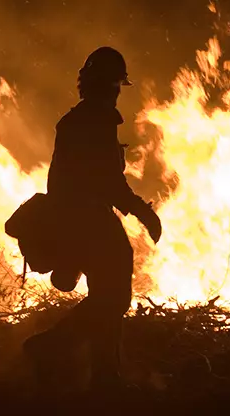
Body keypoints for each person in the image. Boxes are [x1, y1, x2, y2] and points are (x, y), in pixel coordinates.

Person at [23, 46, 162, 390]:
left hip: (81, 218)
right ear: (105, 85)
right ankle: (49, 348)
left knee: (107, 294)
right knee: (113, 298)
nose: (118, 92)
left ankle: (104, 375)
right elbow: (106, 179)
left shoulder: (79, 119)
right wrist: (142, 210)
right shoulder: (94, 120)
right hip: (89, 219)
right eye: (116, 85)